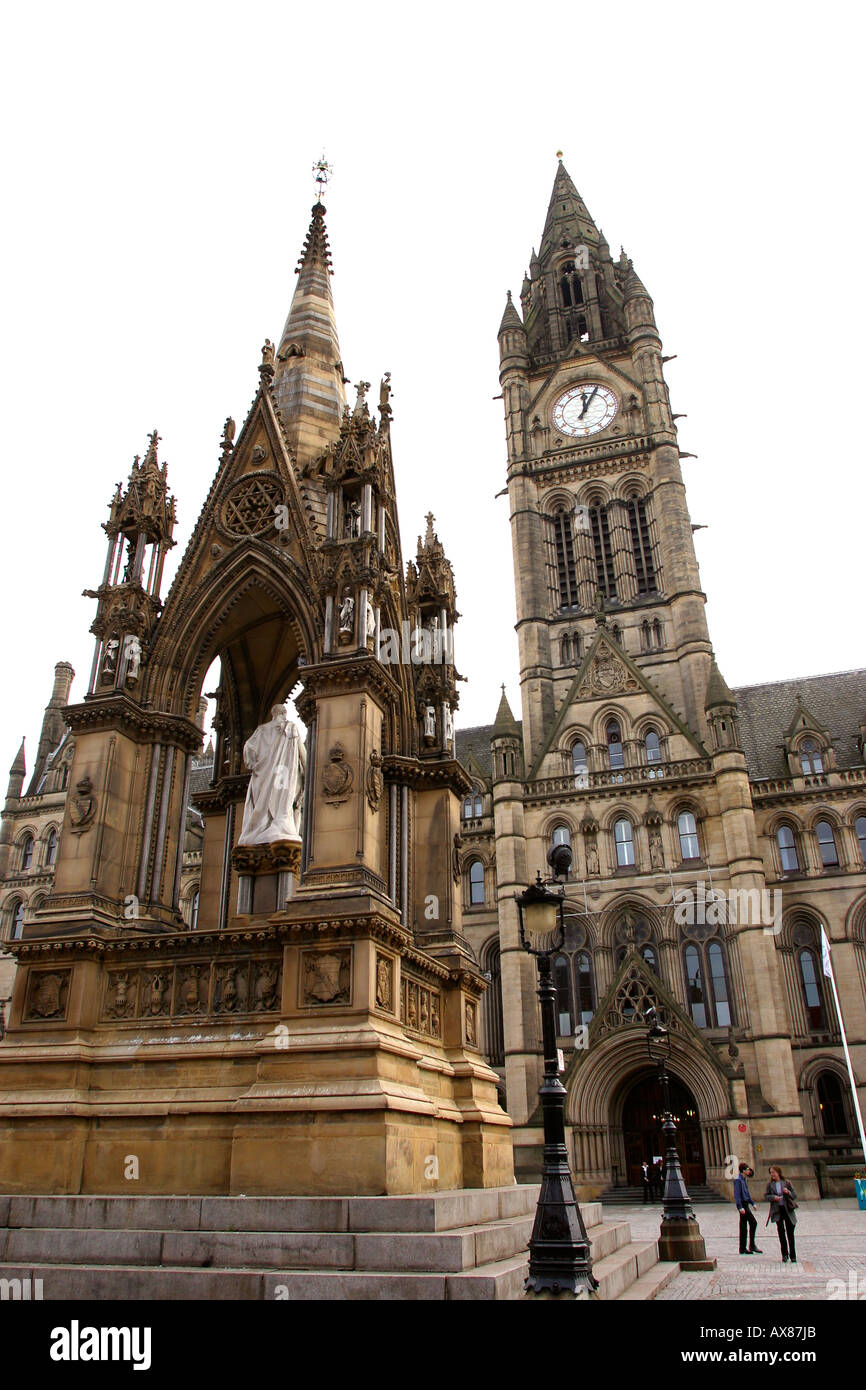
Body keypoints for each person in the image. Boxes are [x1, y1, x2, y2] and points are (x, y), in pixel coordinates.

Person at [764, 1165, 797, 1263]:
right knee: (781, 1233)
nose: (772, 1174)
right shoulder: (770, 1184)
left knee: (790, 1233)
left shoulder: (786, 1182)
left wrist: (788, 1192)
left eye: (773, 1172)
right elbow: (766, 1196)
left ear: (778, 1172)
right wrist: (774, 1197)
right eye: (771, 1173)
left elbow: (794, 1195)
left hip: (787, 1209)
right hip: (778, 1210)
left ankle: (793, 1255)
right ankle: (784, 1254)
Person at [733, 1162, 762, 1255]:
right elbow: (737, 1195)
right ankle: (751, 1245)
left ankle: (743, 1248)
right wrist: (740, 1207)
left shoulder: (743, 1179)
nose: (749, 1171)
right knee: (753, 1223)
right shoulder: (738, 1180)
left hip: (745, 1204)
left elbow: (747, 1193)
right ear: (744, 1170)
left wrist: (752, 1203)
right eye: (748, 1169)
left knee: (743, 1226)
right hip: (743, 1205)